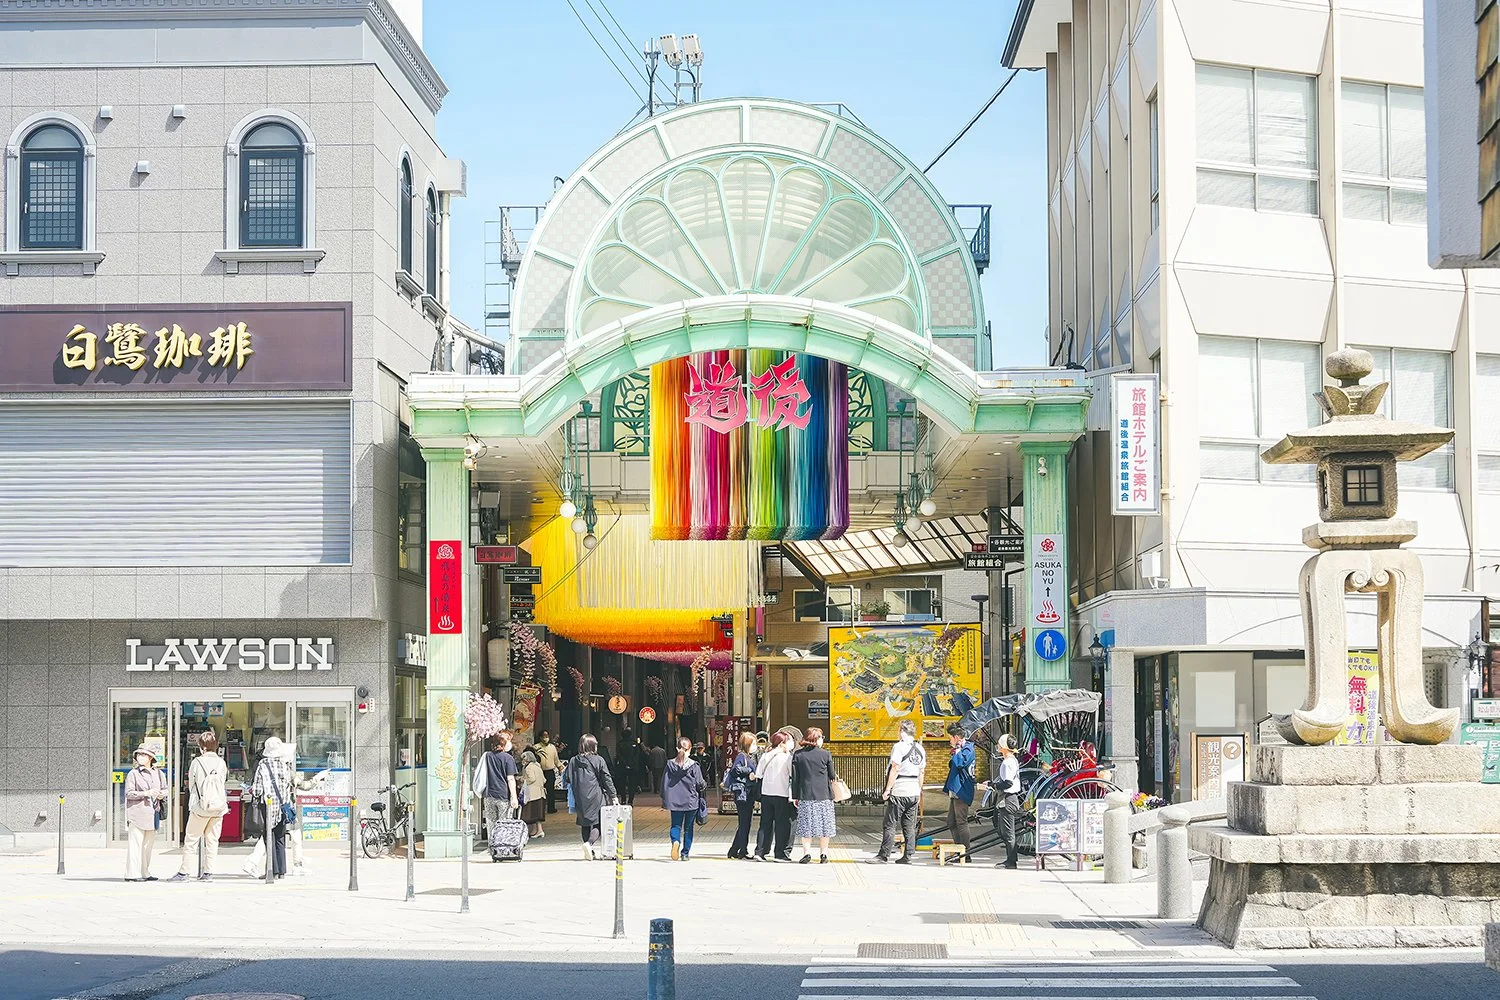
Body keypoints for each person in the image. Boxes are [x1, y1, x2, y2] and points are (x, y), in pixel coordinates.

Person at [172, 731, 228, 882]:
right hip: (218, 808)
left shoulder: (197, 762)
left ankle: (184, 872)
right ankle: (208, 872)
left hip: (200, 808)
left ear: (201, 746)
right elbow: (223, 781)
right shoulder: (221, 763)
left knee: (191, 841)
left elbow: (192, 786)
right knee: (212, 841)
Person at [869, 719, 926, 864]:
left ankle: (884, 855)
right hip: (914, 790)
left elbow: (894, 768)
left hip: (900, 789)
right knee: (909, 825)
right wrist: (919, 791)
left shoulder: (899, 747)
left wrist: (888, 789)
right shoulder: (920, 748)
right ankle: (908, 855)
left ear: (901, 730)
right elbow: (922, 771)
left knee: (890, 823)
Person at [564, 734, 618, 859]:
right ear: (593, 746)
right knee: (600, 822)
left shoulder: (573, 760)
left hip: (579, 796)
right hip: (596, 795)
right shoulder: (598, 760)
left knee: (585, 823)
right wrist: (613, 795)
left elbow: (567, 778)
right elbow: (606, 778)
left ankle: (588, 850)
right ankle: (589, 844)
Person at [790, 727, 838, 864]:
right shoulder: (826, 754)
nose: (823, 740)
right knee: (825, 826)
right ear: (816, 739)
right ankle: (823, 854)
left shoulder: (798, 755)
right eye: (821, 737)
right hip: (824, 795)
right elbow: (832, 775)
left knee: (807, 826)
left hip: (805, 795)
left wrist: (795, 796)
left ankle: (807, 853)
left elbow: (795, 778)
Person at [250, 736, 294, 880]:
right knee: (280, 837)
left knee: (269, 837)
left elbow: (257, 789)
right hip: (283, 806)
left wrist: (251, 790)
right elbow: (290, 784)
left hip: (268, 806)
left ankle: (272, 870)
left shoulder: (263, 764)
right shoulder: (285, 764)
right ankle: (281, 871)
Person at [123, 745, 168, 882]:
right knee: (135, 844)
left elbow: (166, 789)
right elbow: (128, 793)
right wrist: (146, 793)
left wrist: (161, 794)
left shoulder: (159, 773)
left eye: (143, 754)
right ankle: (132, 873)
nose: (140, 757)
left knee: (148, 846)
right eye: (138, 754)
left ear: (150, 757)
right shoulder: (133, 774)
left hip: (153, 812)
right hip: (137, 813)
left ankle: (145, 871)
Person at [662, 736, 707, 861]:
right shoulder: (694, 766)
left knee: (675, 825)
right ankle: (685, 853)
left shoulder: (670, 764)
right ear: (690, 749)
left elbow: (664, 783)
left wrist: (666, 799)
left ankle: (675, 841)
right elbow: (700, 783)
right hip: (691, 801)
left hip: (675, 802)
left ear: (677, 748)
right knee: (688, 828)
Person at [752, 731, 794, 862]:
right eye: (789, 741)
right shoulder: (787, 757)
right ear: (782, 743)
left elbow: (758, 774)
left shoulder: (766, 755)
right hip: (782, 794)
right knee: (782, 824)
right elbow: (792, 774)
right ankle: (780, 854)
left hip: (766, 794)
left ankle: (760, 851)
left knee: (765, 823)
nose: (791, 744)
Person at [941, 723, 977, 866]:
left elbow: (961, 762)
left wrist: (957, 750)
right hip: (956, 789)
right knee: (951, 821)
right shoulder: (961, 748)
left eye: (950, 737)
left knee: (961, 821)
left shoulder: (968, 748)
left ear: (956, 737)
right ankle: (958, 849)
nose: (949, 740)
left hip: (962, 789)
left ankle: (965, 853)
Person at [473, 730, 519, 841]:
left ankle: (492, 846)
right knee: (504, 823)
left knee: (491, 823)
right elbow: (510, 779)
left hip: (488, 795)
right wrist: (514, 797)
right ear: (504, 743)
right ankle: (502, 846)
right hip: (503, 796)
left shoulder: (487, 756)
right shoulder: (508, 758)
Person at [987, 733, 1023, 869]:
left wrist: (994, 785)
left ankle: (1011, 861)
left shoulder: (1008, 762)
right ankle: (1011, 858)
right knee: (1005, 831)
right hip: (1010, 798)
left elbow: (1007, 783)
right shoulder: (1012, 759)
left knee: (1007, 832)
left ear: (1003, 747)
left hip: (1008, 799)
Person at [725, 731, 759, 859]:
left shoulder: (748, 756)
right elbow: (735, 770)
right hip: (743, 794)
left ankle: (735, 850)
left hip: (747, 794)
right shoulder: (742, 756)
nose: (755, 746)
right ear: (747, 744)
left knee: (745, 823)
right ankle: (742, 851)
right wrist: (749, 771)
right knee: (745, 823)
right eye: (753, 743)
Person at [279, 739, 308, 876]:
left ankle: (252, 862)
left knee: (269, 836)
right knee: (295, 835)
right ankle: (297, 865)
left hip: (275, 808)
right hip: (286, 808)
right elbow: (304, 785)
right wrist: (318, 778)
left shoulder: (273, 767)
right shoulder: (286, 771)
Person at [520, 747, 548, 838]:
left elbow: (532, 779)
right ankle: (539, 830)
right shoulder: (537, 766)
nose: (523, 761)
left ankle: (528, 832)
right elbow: (544, 780)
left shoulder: (529, 768)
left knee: (530, 814)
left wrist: (523, 779)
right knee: (538, 814)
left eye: (524, 759)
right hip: (540, 793)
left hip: (532, 794)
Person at [534, 732, 562, 814]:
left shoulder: (552, 747)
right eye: (544, 736)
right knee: (539, 791)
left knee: (551, 791)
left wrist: (559, 767)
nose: (545, 738)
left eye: (547, 736)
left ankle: (551, 808)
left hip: (550, 771)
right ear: (540, 737)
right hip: (540, 771)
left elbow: (556, 759)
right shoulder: (536, 747)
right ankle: (539, 809)